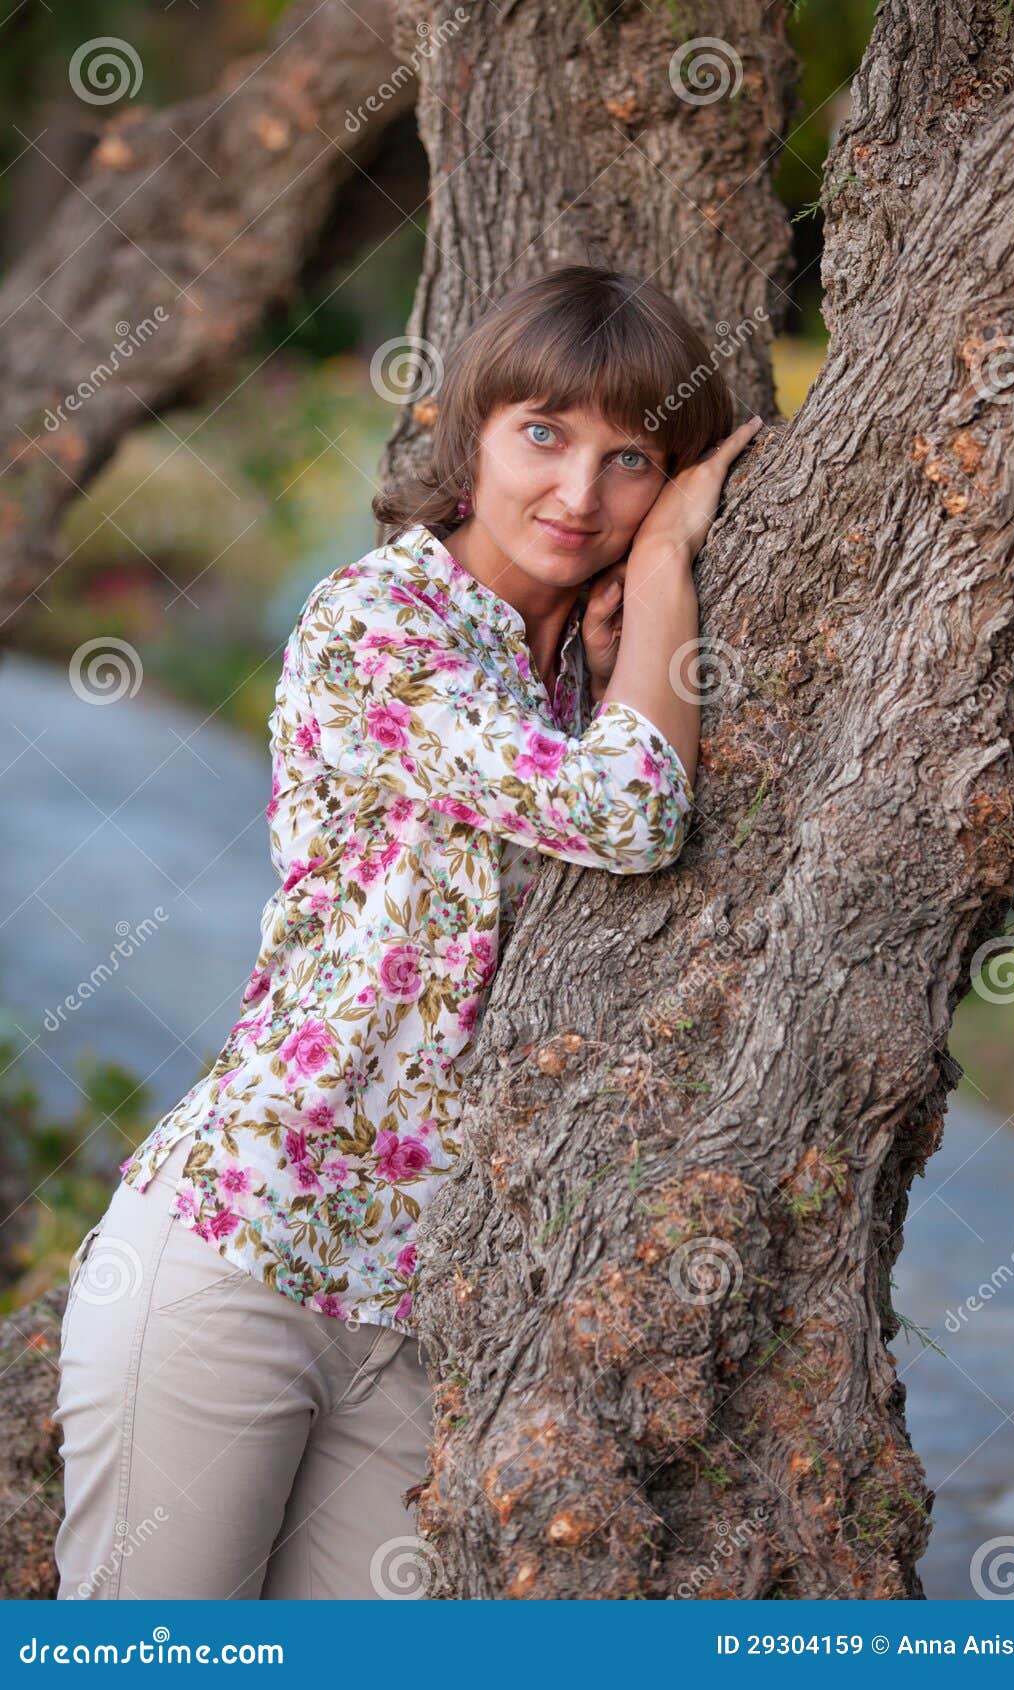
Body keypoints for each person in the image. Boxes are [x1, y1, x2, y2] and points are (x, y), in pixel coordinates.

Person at [52, 264, 763, 1600]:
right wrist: (666, 558)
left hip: (420, 1296)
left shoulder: (561, 675)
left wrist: (616, 663)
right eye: (542, 434)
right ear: (469, 430)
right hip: (244, 1252)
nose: (578, 493)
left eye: (632, 463)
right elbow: (627, 815)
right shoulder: (376, 618)